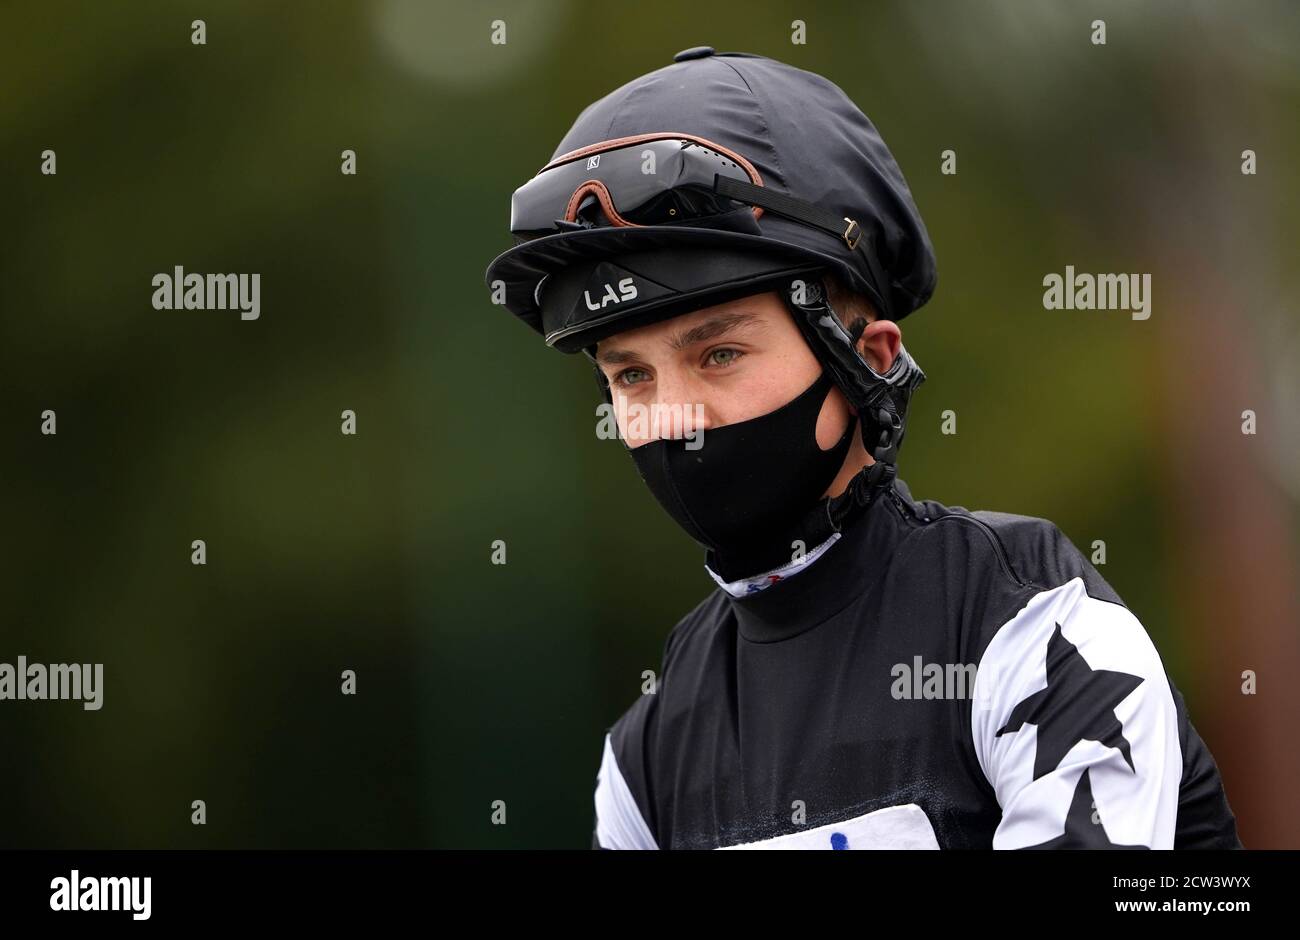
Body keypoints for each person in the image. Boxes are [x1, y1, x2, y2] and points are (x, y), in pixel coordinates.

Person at [484, 47, 1241, 849]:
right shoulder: (645, 755)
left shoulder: (1035, 629)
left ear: (868, 360)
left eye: (720, 354)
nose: (675, 416)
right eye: (631, 376)